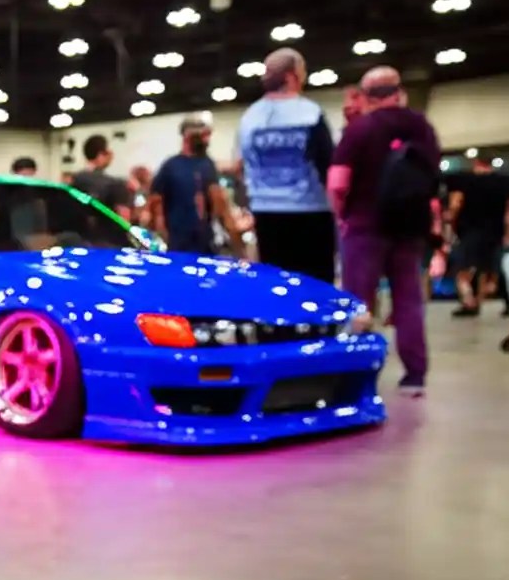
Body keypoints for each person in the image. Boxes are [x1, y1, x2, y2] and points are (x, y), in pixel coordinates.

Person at [327, 66, 441, 396]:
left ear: (366, 96)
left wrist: (341, 215)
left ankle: (355, 375)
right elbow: (433, 177)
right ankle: (414, 375)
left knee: (358, 302)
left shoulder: (360, 129)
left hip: (365, 226)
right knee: (408, 300)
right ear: (398, 91)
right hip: (409, 226)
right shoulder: (422, 127)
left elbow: (337, 182)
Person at [237, 48, 336, 283]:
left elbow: (243, 164)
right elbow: (327, 164)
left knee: (277, 282)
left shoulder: (250, 116)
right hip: (310, 211)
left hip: (266, 212)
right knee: (316, 283)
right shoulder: (310, 113)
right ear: (292, 76)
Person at [148, 115, 235, 255]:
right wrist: (161, 233)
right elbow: (155, 201)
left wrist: (228, 228)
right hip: (177, 240)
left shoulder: (207, 164)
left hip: (205, 240)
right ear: (188, 135)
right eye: (203, 136)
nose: (207, 141)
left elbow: (217, 199)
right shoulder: (171, 166)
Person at [444, 153, 509, 317]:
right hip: (495, 231)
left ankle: (470, 302)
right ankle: (506, 303)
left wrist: (451, 223)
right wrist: (508, 233)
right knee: (491, 268)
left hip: (471, 231)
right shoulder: (503, 182)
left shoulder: (466, 181)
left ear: (476, 163)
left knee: (462, 269)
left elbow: (456, 206)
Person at [72, 135, 132, 220]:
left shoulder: (76, 179)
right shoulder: (115, 184)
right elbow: (123, 217)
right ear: (101, 154)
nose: (112, 156)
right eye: (109, 152)